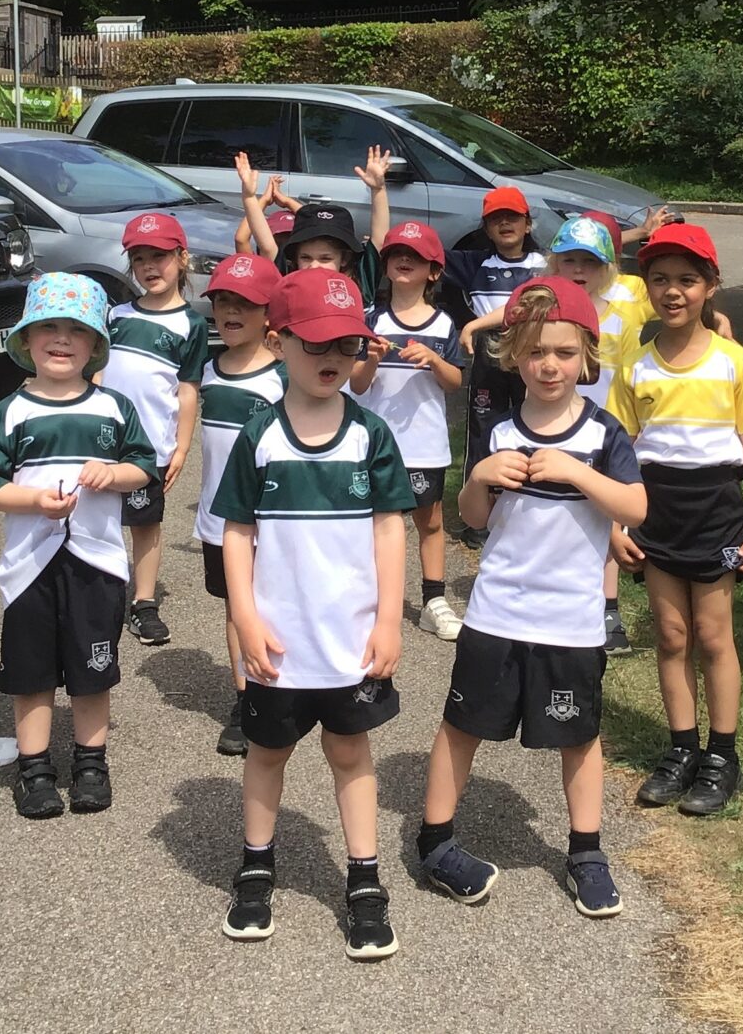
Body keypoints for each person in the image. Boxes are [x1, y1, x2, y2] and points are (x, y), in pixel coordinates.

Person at [416, 277, 646, 917]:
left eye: (565, 353)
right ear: (514, 353)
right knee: (463, 725)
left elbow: (636, 507)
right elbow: (474, 518)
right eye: (537, 351)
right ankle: (435, 839)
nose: (550, 365)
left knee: (580, 736)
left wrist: (577, 471)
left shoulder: (604, 435)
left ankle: (586, 852)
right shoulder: (496, 431)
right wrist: (481, 479)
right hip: (497, 612)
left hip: (571, 621)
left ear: (587, 358)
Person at [211, 268, 414, 960]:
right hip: (280, 641)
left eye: (348, 344)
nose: (333, 357)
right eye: (316, 342)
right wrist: (243, 616)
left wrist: (390, 619)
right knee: (268, 753)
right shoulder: (259, 435)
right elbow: (236, 532)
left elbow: (392, 528)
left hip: (351, 640)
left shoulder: (371, 436)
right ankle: (257, 863)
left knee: (352, 753)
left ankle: (363, 880)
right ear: (279, 340)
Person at [0, 273, 157, 819]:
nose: (61, 338)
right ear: (26, 341)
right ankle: (34, 768)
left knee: (92, 666)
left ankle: (91, 761)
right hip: (29, 565)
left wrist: (113, 472)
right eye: (47, 327)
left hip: (96, 561)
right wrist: (32, 501)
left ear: (94, 344)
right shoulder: (11, 410)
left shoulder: (114, 407)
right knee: (30, 672)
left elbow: (143, 468)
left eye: (76, 330)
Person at [607, 222, 743, 816]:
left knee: (712, 635)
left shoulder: (734, 363)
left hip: (717, 512)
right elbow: (619, 452)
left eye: (687, 280)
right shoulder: (637, 368)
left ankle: (722, 755)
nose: (672, 291)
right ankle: (681, 749)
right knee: (671, 636)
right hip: (656, 511)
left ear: (710, 286)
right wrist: (614, 525)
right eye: (659, 280)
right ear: (647, 288)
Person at [350, 221, 467, 640]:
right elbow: (357, 384)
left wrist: (435, 362)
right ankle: (370, 597)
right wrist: (372, 359)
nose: (404, 260)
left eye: (415, 257)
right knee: (375, 521)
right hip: (374, 445)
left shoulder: (442, 325)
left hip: (425, 444)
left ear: (433, 272)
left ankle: (433, 601)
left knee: (429, 521)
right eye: (397, 253)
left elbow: (454, 383)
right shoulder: (370, 320)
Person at [103, 212, 211, 648]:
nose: (150, 266)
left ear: (182, 259)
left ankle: (143, 602)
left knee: (145, 523)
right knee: (99, 519)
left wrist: (182, 447)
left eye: (160, 256)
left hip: (151, 447)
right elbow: (95, 372)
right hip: (104, 441)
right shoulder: (114, 315)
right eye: (140, 258)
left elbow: (187, 390)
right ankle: (102, 593)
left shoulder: (192, 324)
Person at [193, 253, 286, 757]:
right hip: (219, 518)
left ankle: (289, 685)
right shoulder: (209, 369)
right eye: (223, 301)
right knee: (236, 609)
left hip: (276, 518)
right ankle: (246, 698)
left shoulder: (285, 376)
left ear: (270, 313)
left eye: (245, 304)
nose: (230, 312)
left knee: (276, 600)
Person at [547, 215, 649, 655]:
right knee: (555, 515)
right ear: (554, 263)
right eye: (569, 260)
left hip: (607, 429)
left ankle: (608, 609)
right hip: (553, 427)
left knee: (607, 517)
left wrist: (630, 430)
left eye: (589, 262)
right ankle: (555, 599)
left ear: (607, 268)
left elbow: (630, 378)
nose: (579, 270)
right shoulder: (546, 315)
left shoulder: (621, 320)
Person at [451, 188, 549, 547]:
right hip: (489, 360)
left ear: (527, 224)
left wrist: (636, 232)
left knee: (535, 428)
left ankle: (533, 505)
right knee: (482, 432)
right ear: (486, 228)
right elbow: (417, 253)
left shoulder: (548, 264)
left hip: (533, 357)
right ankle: (478, 515)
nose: (505, 223)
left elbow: (597, 246)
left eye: (513, 217)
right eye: (496, 219)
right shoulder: (474, 264)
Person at [234, 148, 393, 300]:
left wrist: (378, 190)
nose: (314, 266)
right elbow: (266, 245)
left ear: (344, 258)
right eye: (306, 258)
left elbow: (380, 240)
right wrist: (249, 197)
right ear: (295, 258)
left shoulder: (362, 282)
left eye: (325, 259)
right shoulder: (287, 282)